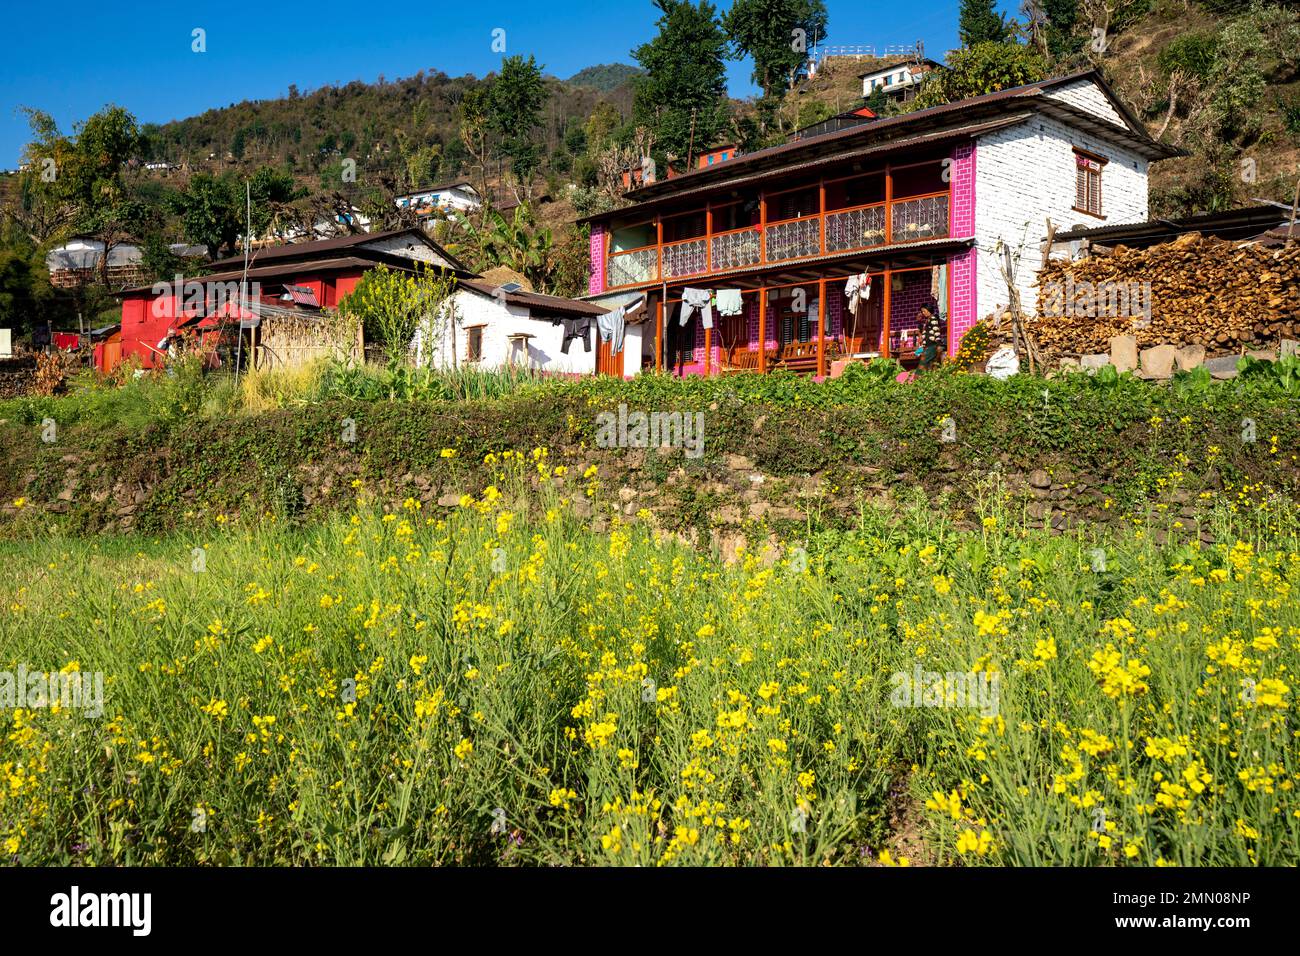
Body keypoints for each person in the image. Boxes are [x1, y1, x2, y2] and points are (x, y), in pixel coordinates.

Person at [916, 303, 945, 371]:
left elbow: (936, 331)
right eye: (922, 312)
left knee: (926, 361)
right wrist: (919, 321)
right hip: (925, 345)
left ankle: (924, 373)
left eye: (924, 311)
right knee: (917, 353)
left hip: (931, 344)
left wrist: (938, 344)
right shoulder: (927, 320)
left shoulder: (933, 318)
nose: (923, 313)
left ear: (929, 310)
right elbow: (922, 332)